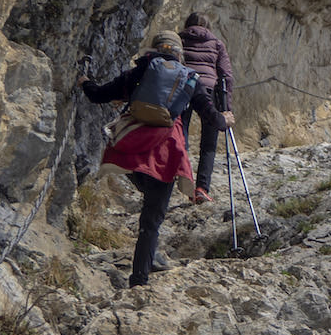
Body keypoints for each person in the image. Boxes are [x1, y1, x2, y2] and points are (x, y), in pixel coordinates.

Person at [80, 31, 227, 287]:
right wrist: (226, 120)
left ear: (155, 50)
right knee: (151, 221)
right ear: (180, 54)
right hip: (168, 151)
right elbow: (211, 117)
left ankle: (148, 258)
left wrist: (84, 81)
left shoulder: (143, 69)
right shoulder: (190, 78)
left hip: (135, 145)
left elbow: (98, 94)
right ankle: (139, 278)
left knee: (142, 183)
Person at [176, 12, 235, 203]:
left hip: (183, 87)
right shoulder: (217, 43)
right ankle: (202, 188)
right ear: (208, 26)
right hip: (207, 90)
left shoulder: (178, 38)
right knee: (208, 143)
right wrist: (226, 107)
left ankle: (183, 177)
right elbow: (226, 76)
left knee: (180, 134)